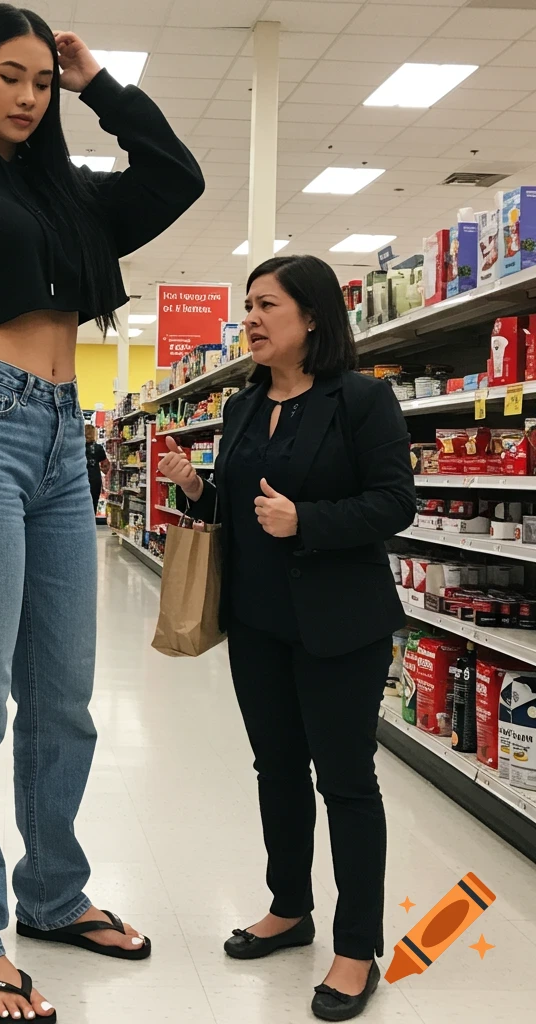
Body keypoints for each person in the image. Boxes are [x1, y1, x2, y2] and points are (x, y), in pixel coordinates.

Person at [0, 5, 204, 1021]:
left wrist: (97, 80)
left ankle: (53, 896)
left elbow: (175, 175)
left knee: (63, 696)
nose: (26, 95)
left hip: (67, 441)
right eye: (8, 74)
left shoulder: (70, 194)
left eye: (39, 82)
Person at [160, 255, 415, 1022]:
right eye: (247, 306)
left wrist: (310, 520)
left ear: (312, 317)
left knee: (345, 780)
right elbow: (239, 509)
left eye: (267, 305)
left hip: (341, 626)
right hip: (258, 623)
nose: (252, 319)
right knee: (276, 768)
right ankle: (289, 906)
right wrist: (196, 487)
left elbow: (395, 503)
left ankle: (356, 946)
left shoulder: (362, 401)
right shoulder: (242, 407)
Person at [84, 424, 110, 516]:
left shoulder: (77, 448)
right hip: (94, 479)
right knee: (93, 504)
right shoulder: (98, 448)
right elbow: (106, 467)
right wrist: (98, 467)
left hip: (80, 479)